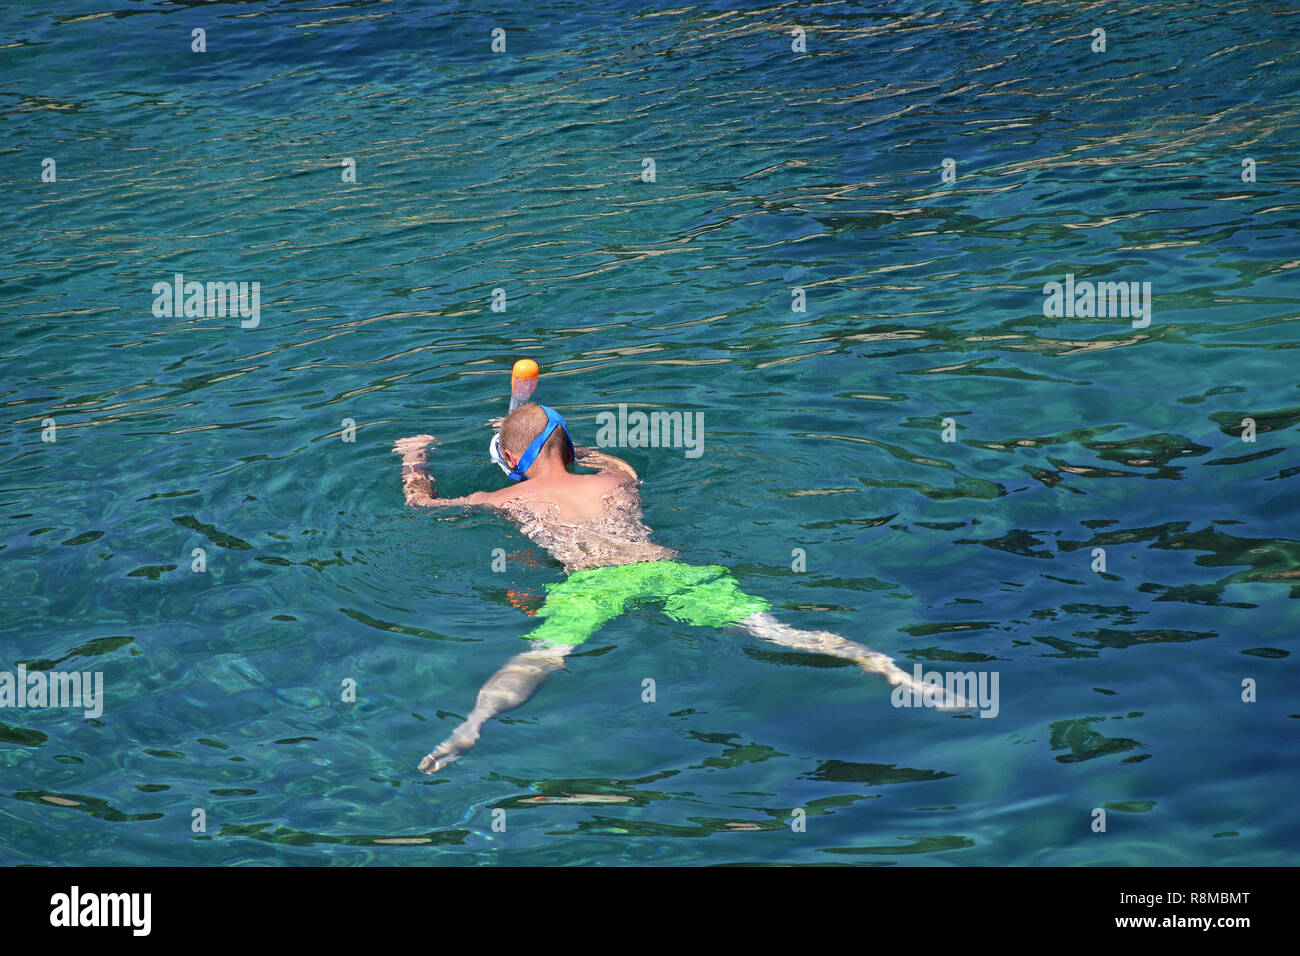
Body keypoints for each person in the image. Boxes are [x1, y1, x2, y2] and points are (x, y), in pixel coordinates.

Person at [393, 402, 955, 774]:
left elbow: (421, 506)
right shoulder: (615, 481)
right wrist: (574, 452)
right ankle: (896, 672)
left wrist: (414, 459)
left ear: (511, 463)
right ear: (571, 447)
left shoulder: (505, 499)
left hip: (590, 584)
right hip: (662, 569)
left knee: (545, 654)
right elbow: (618, 466)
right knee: (774, 630)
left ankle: (471, 727)